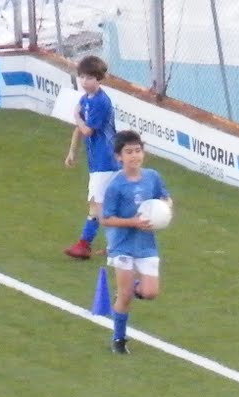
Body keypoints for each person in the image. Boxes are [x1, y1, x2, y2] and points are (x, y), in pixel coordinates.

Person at [99, 129, 171, 355]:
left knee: (150, 292)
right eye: (128, 152)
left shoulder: (152, 177)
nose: (134, 156)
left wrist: (166, 207)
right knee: (126, 296)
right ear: (119, 157)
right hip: (122, 245)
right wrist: (132, 222)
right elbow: (106, 219)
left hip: (146, 244)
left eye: (137, 151)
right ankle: (119, 339)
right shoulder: (115, 186)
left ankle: (130, 290)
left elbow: (164, 196)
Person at [62, 55, 120, 260]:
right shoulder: (86, 99)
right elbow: (79, 129)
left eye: (89, 78)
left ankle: (94, 244)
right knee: (99, 205)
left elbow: (87, 130)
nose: (85, 81)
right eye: (82, 77)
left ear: (100, 79)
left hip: (105, 160)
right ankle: (92, 244)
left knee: (97, 204)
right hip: (98, 161)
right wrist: (72, 151)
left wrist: (76, 116)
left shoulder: (101, 102)